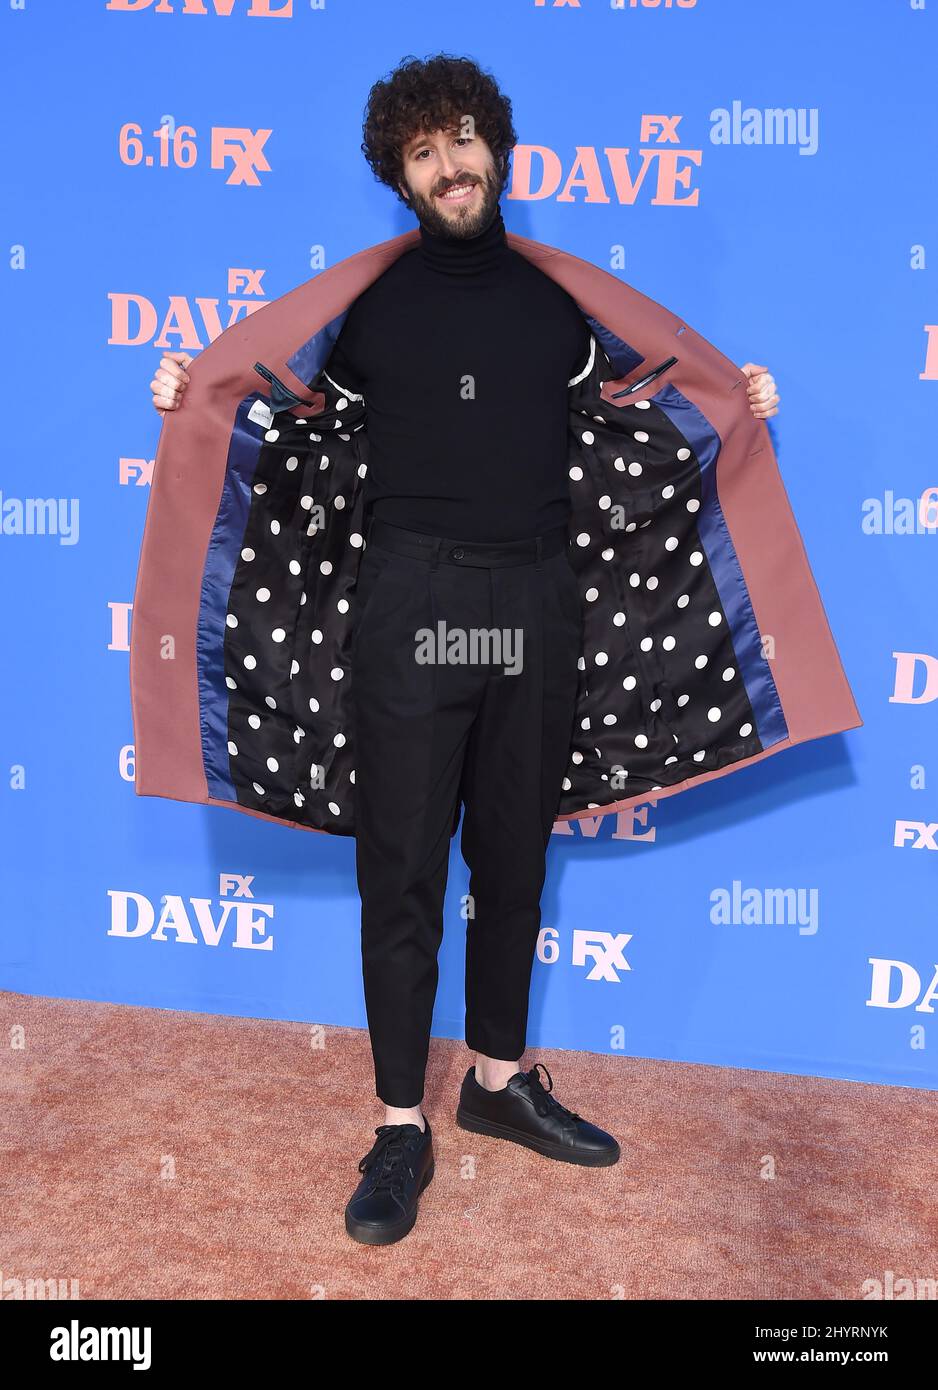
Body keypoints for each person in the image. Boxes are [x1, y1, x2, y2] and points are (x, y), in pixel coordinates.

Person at [148, 54, 780, 1248]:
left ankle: (495, 1081)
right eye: (423, 152)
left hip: (534, 603)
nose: (449, 166)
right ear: (401, 175)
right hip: (415, 604)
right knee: (401, 875)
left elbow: (644, 419)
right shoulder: (365, 314)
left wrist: (731, 399)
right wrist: (191, 394)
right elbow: (279, 427)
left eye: (463, 141)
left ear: (497, 148)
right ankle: (399, 1125)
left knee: (510, 861)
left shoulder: (560, 309)